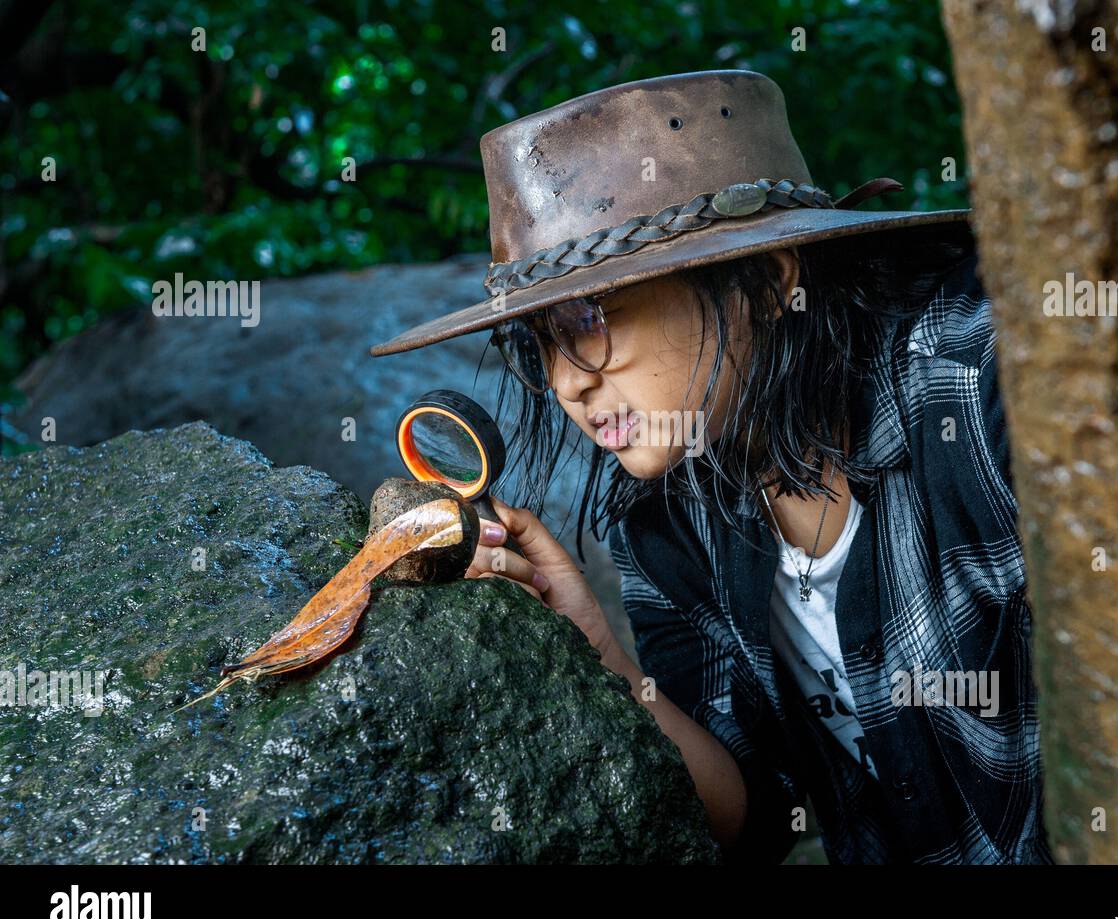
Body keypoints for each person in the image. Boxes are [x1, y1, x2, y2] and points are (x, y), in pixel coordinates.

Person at [370, 69, 1051, 864]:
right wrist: (598, 654)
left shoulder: (981, 387)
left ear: (766, 283)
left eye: (589, 317)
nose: (566, 382)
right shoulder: (665, 519)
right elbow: (751, 822)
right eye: (540, 340)